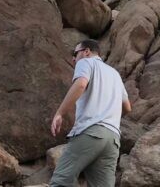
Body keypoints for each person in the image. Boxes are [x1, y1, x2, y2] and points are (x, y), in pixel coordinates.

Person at [49, 39, 131, 187]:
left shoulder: (86, 62)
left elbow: (81, 84)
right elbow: (127, 107)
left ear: (86, 51)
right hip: (112, 139)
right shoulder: (115, 74)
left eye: (76, 53)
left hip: (91, 132)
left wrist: (60, 113)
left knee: (61, 181)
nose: (74, 59)